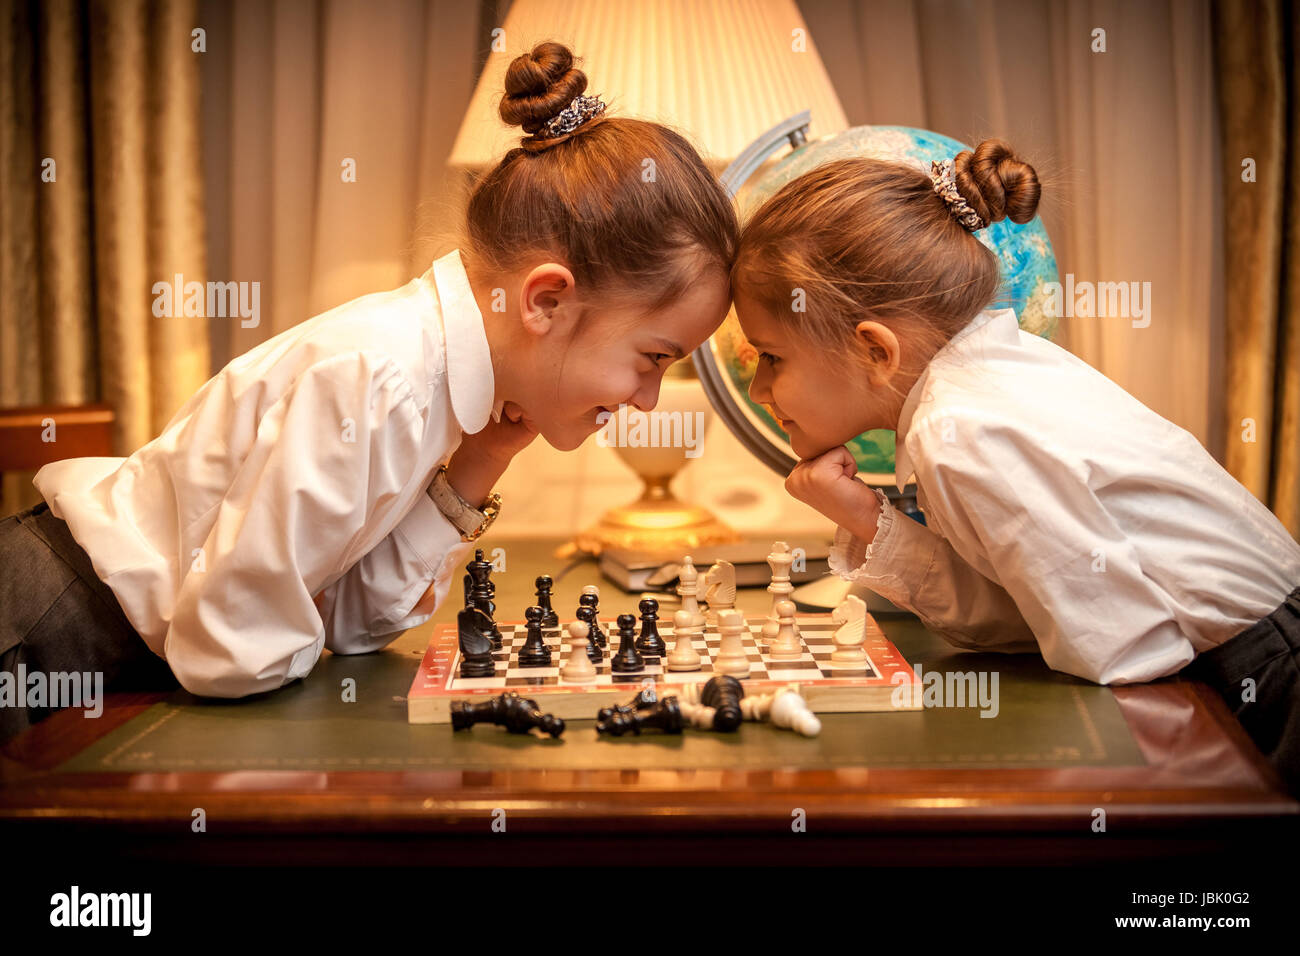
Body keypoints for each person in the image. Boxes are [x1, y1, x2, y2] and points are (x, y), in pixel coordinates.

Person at [0, 41, 736, 740]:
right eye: (654, 356)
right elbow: (227, 652)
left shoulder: (436, 384)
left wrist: (476, 467)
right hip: (44, 632)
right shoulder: (381, 379)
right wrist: (301, 629)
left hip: (98, 641)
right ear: (545, 301)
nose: (646, 399)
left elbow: (350, 625)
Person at [730, 138, 1300, 792]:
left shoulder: (961, 431)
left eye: (771, 357)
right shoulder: (983, 379)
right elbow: (1031, 606)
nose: (758, 390)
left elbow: (1121, 644)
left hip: (1266, 678)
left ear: (875, 352)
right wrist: (865, 517)